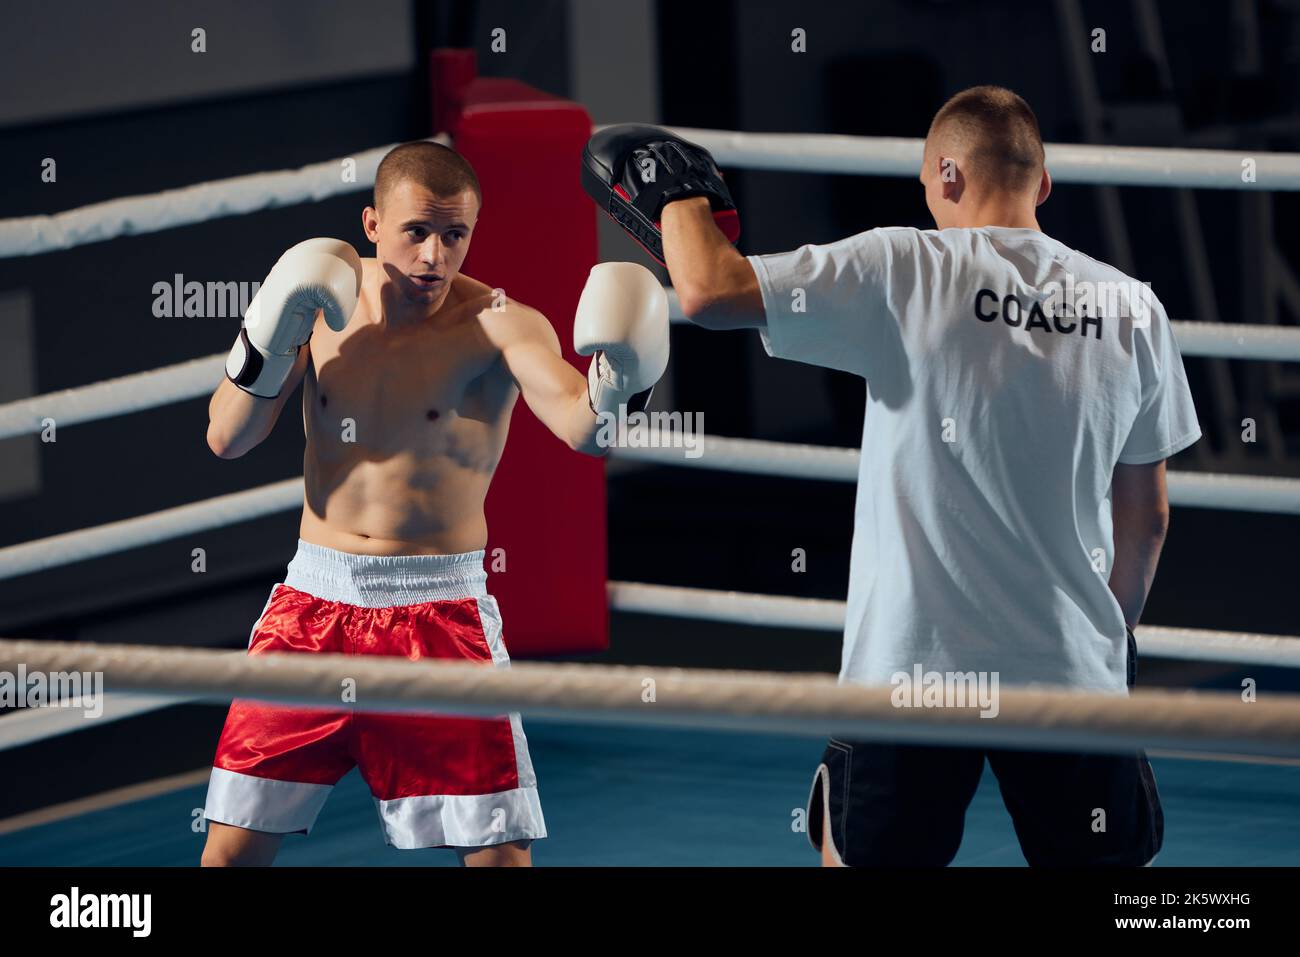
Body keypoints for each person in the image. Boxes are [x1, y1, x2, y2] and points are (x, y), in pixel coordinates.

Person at [583, 85, 1199, 867]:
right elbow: (1147, 520)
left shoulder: (906, 265)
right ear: (1042, 183)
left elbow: (708, 289)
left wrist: (676, 198)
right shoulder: (1135, 308)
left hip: (913, 672)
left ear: (945, 175)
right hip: (1068, 672)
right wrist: (1105, 638)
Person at [201, 140, 668, 866]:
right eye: (417, 231)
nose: (434, 257)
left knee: (498, 860)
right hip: (312, 604)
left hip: (439, 612)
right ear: (372, 223)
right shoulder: (318, 302)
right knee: (227, 855)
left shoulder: (500, 322)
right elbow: (227, 438)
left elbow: (585, 429)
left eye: (455, 235)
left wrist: (622, 376)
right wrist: (267, 338)